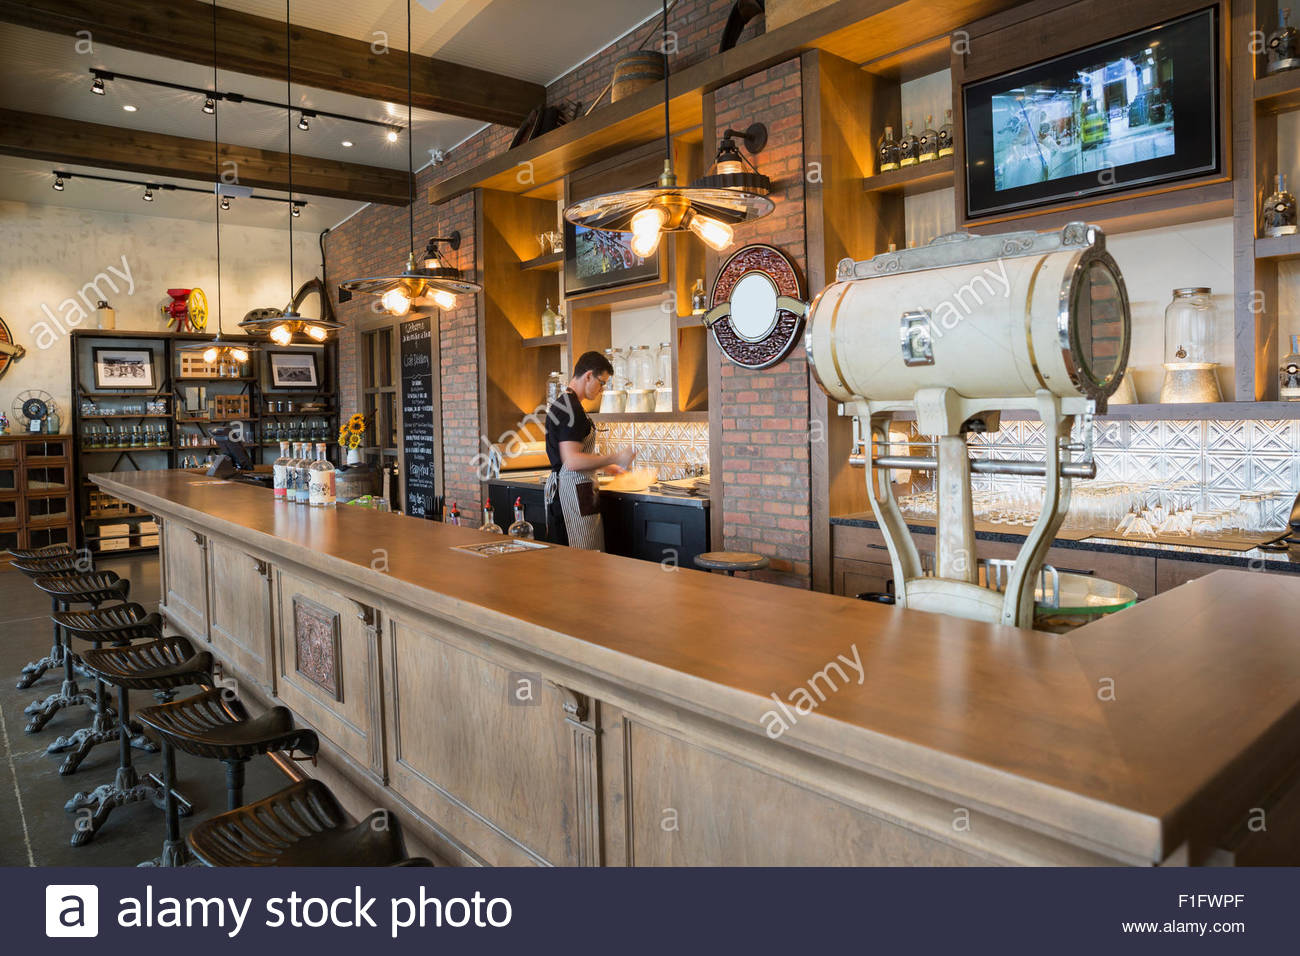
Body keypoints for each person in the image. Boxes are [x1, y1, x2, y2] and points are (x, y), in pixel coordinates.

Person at [544, 351, 635, 550]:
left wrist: (609, 467)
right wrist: (616, 457)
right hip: (573, 493)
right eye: (602, 382)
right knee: (583, 560)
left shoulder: (563, 403)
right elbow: (572, 461)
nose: (602, 389)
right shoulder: (572, 409)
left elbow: (571, 456)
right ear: (588, 376)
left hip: (572, 490)